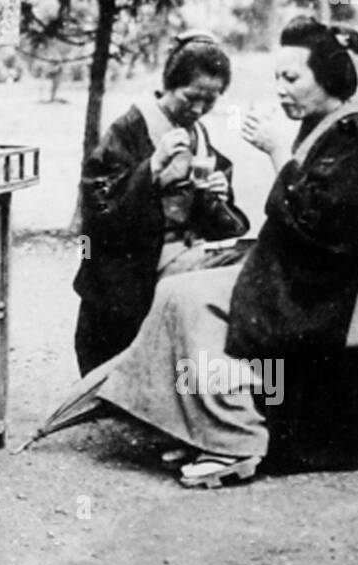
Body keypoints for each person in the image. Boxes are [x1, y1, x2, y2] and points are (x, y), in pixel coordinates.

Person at [79, 17, 358, 487]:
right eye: (276, 77)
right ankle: (198, 425)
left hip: (329, 289)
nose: (280, 89)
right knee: (177, 295)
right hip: (289, 271)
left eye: (291, 77)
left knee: (190, 302)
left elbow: (322, 230)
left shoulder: (357, 140)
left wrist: (275, 156)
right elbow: (100, 207)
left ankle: (235, 439)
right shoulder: (132, 128)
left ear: (329, 78)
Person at [71, 31, 249, 376]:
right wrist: (151, 169)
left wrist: (216, 195)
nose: (198, 109)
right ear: (168, 85)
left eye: (210, 101)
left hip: (178, 261)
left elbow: (210, 215)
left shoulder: (197, 134)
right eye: (191, 97)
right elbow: (100, 213)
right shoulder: (128, 130)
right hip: (127, 272)